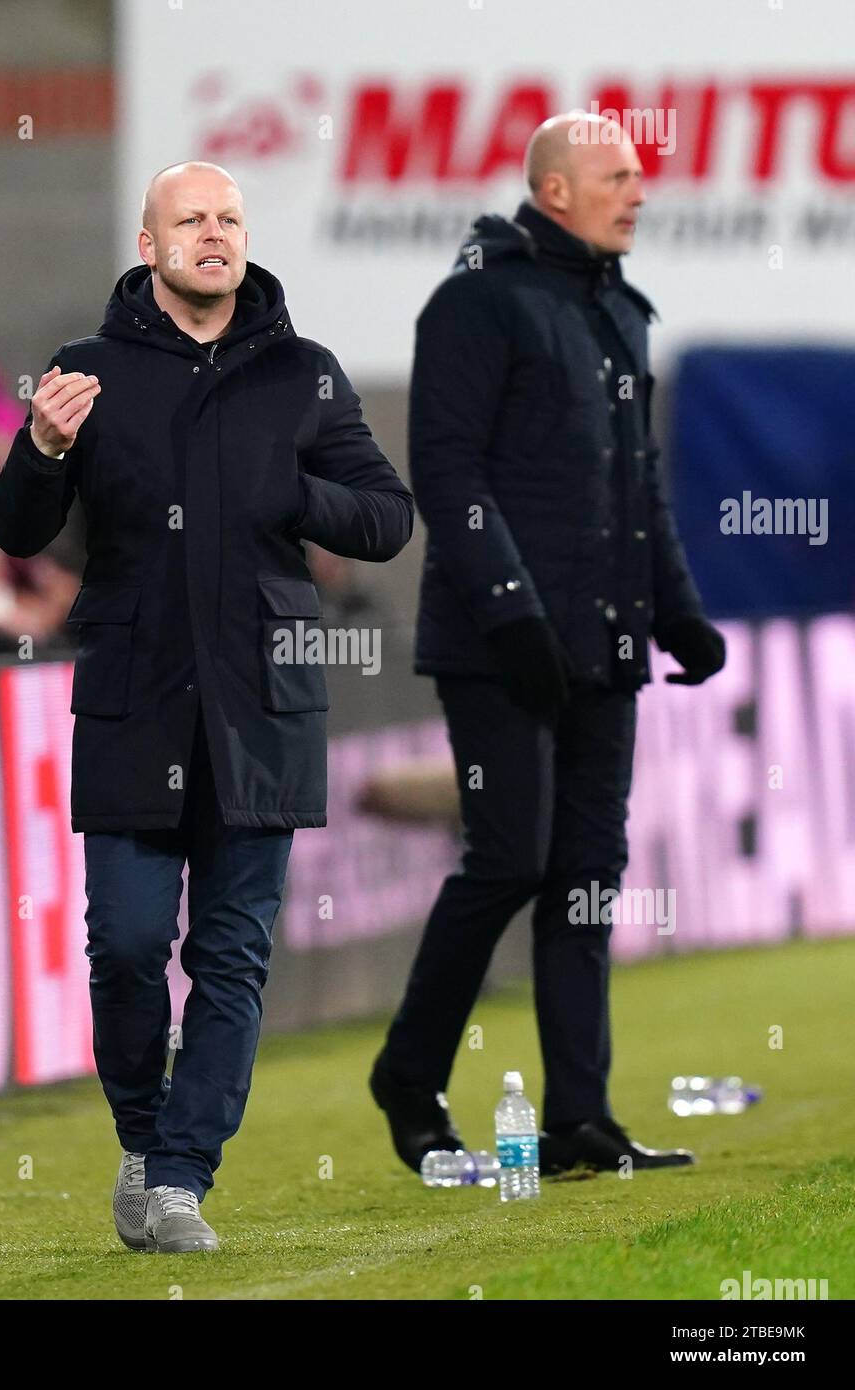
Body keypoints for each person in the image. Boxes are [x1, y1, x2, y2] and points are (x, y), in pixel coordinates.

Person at [0, 161, 413, 1252]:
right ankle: (143, 1134)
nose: (213, 234)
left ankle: (181, 1177)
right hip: (136, 701)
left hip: (262, 706)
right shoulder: (83, 371)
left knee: (231, 957)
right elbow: (16, 533)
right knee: (127, 944)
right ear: (149, 243)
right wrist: (40, 450)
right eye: (191, 219)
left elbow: (385, 517)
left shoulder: (305, 374)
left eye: (228, 218)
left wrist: (295, 494)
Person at [371, 113, 726, 1177]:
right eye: (618, 175)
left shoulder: (617, 306)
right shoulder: (479, 300)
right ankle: (411, 1073)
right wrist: (514, 611)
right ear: (557, 190)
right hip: (500, 647)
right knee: (511, 859)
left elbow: (637, 483)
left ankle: (580, 1117)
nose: (638, 192)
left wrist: (678, 610)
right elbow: (449, 472)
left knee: (585, 872)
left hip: (605, 642)